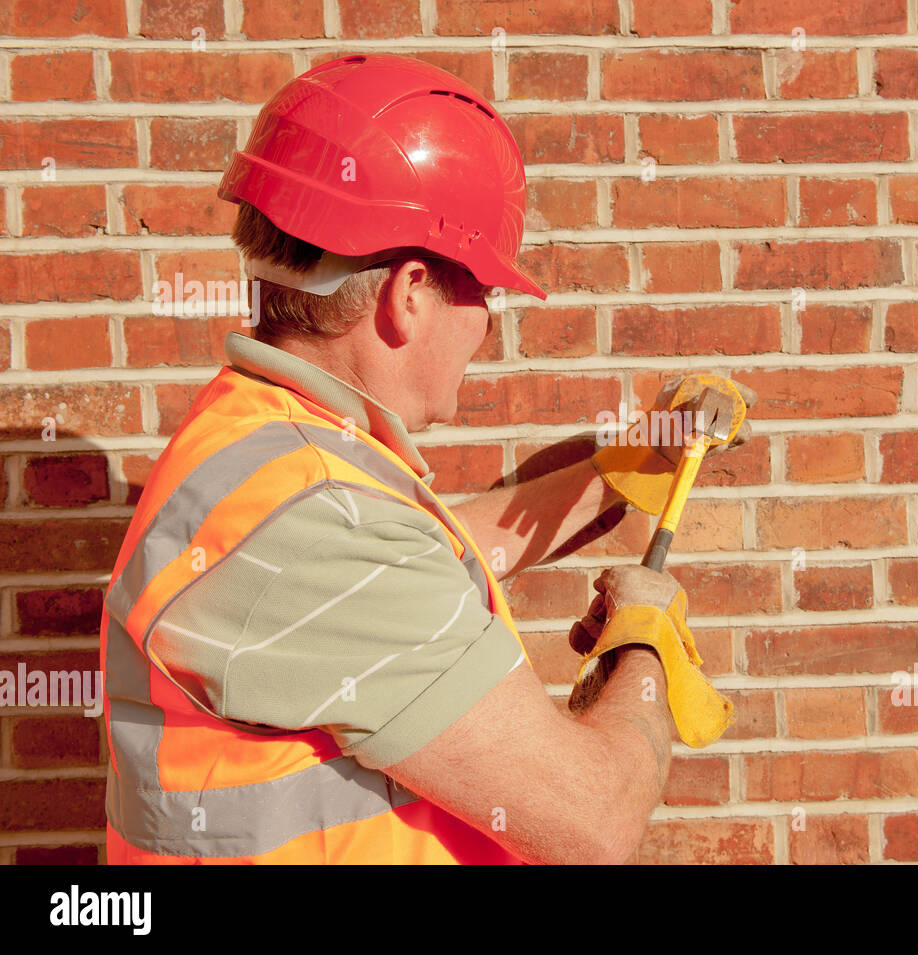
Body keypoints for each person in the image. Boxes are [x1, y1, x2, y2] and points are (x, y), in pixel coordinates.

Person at [99, 53, 752, 865]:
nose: (487, 324)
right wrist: (647, 645)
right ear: (407, 293)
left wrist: (626, 466)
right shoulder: (323, 522)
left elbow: (429, 554)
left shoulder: (259, 439)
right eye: (485, 291)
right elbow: (594, 822)